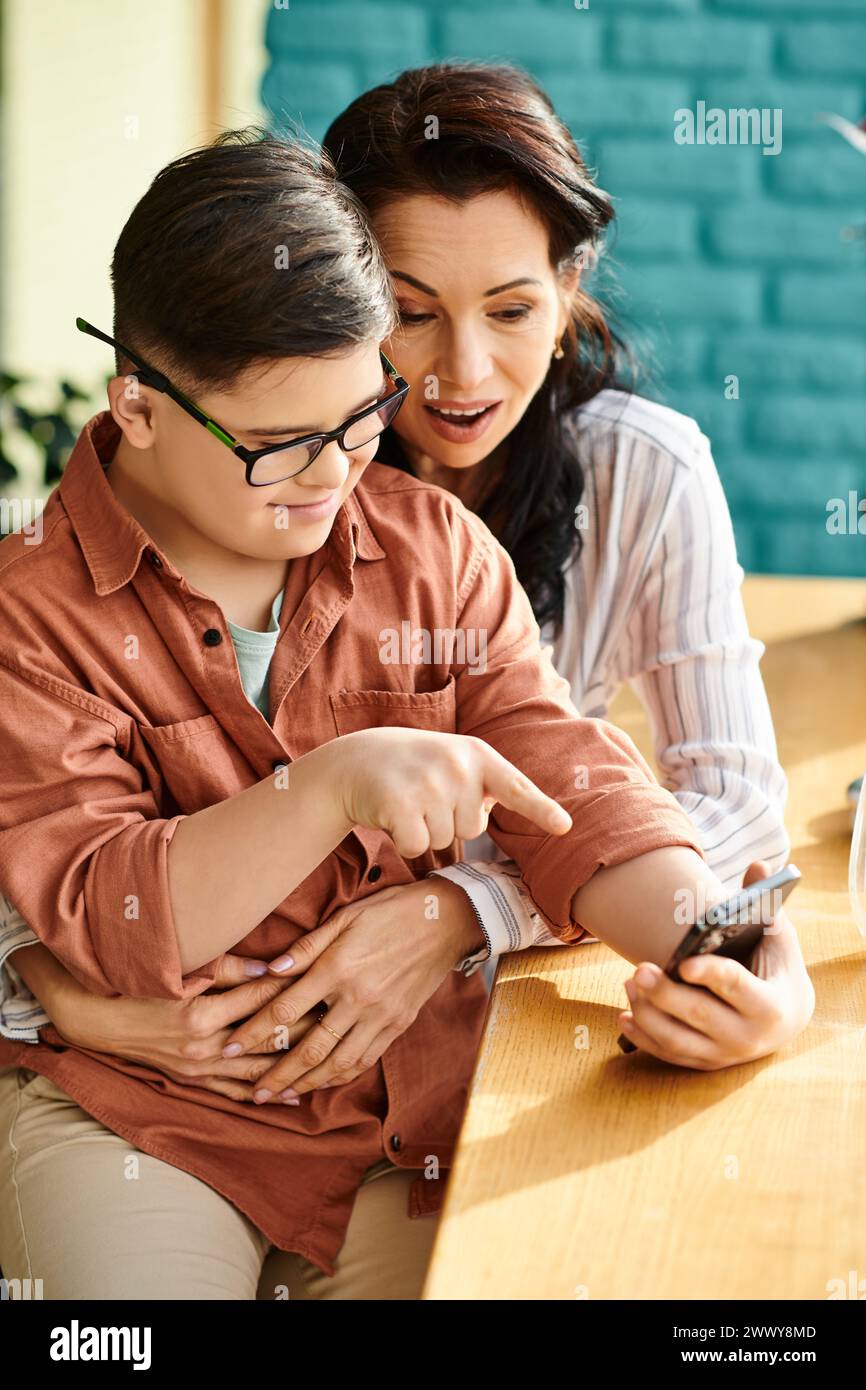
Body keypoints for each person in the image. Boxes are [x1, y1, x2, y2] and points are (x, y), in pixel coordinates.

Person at [0, 129, 812, 1299]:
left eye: (360, 418)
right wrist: (330, 782)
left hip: (405, 1116)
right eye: (280, 447)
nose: (334, 479)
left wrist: (714, 946)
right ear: (138, 407)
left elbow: (564, 786)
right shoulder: (32, 615)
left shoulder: (430, 548)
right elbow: (114, 918)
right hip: (145, 1124)